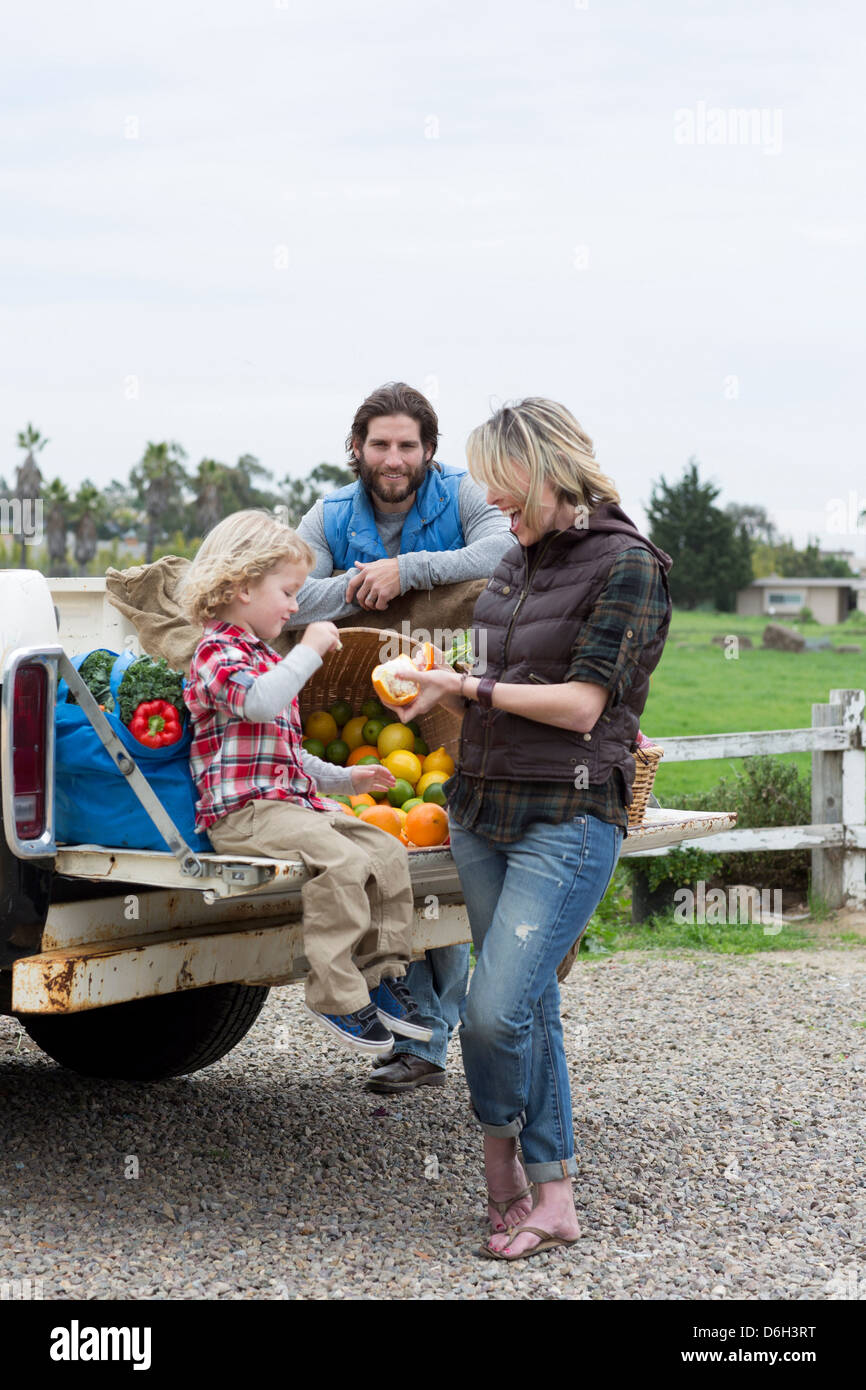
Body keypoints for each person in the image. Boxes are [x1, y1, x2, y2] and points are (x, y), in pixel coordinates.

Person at [379, 398, 672, 1258]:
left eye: (510, 494)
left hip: (569, 815)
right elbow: (508, 673)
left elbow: (582, 704)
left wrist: (470, 692)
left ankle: (499, 1156)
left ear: (551, 472)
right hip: (478, 808)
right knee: (530, 1005)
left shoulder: (630, 566)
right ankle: (553, 1196)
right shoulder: (515, 561)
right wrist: (447, 677)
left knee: (493, 1010)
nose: (500, 512)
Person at [291, 382, 513, 1094]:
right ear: (357, 448)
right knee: (401, 853)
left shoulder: (465, 494)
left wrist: (408, 572)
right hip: (361, 703)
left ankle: (445, 1036)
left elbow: (502, 555)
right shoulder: (328, 515)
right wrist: (365, 586)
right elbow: (286, 594)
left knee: (448, 859)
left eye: (407, 445)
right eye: (379, 444)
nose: (393, 458)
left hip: (454, 699)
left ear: (428, 452)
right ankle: (427, 1039)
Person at [180, 509, 433, 1058]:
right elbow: (258, 702)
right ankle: (335, 996)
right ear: (244, 585)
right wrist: (311, 648)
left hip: (293, 805)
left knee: (386, 851)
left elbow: (291, 754)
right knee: (341, 865)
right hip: (246, 814)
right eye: (289, 591)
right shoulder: (214, 654)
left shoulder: (265, 657)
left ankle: (380, 977)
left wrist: (347, 777)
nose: (297, 606)